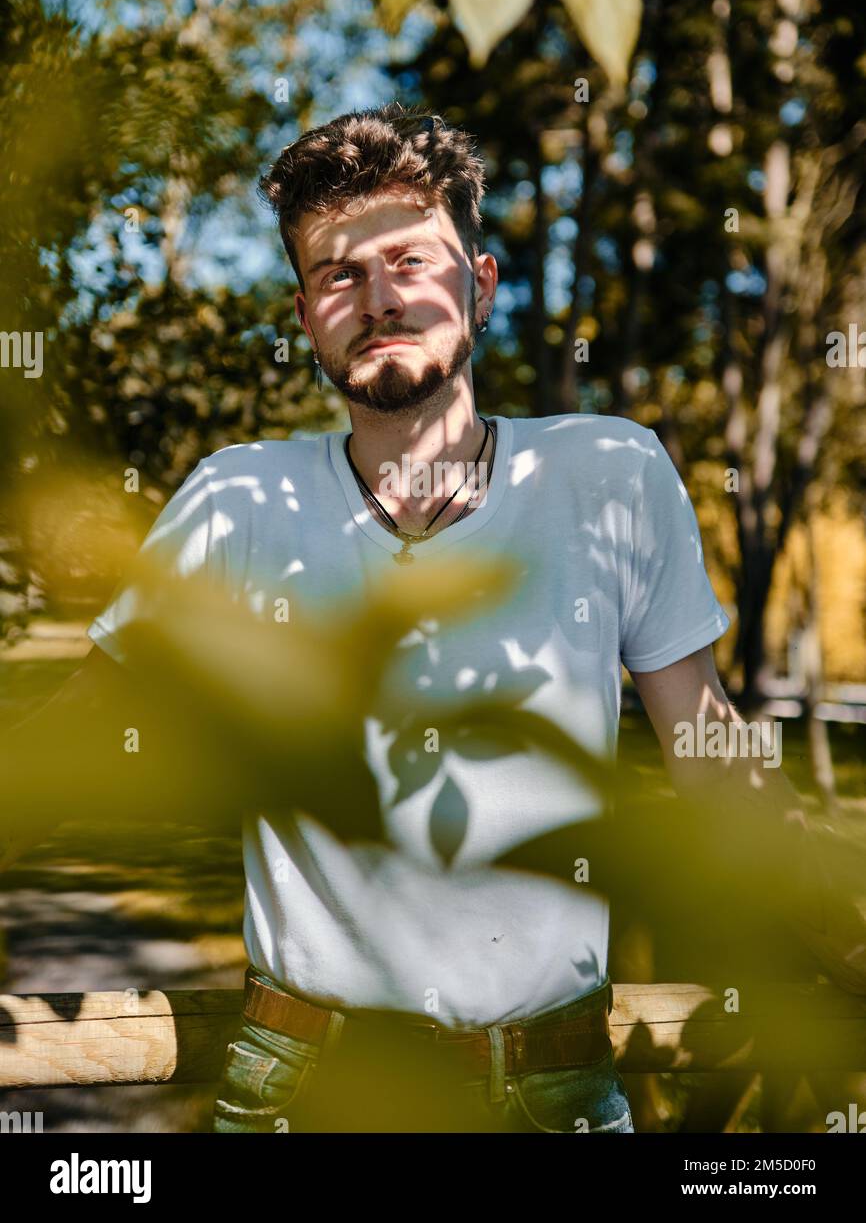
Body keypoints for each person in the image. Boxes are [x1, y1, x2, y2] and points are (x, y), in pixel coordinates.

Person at [3, 103, 848, 1134]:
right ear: (305, 311)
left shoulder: (609, 473)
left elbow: (710, 758)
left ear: (479, 285)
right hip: (299, 1089)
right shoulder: (234, 502)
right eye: (336, 274)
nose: (378, 298)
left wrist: (836, 931)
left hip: (556, 1092)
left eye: (409, 259)